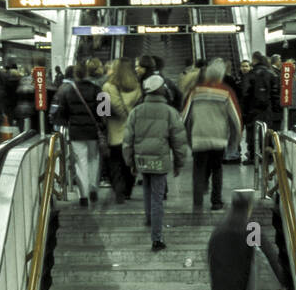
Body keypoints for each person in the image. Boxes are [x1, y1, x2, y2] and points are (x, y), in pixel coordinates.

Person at [122, 74, 188, 251]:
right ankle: (156, 239)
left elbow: (128, 140)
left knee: (147, 190)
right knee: (157, 197)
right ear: (162, 90)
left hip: (142, 159)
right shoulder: (169, 112)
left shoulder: (136, 111)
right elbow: (179, 140)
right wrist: (179, 162)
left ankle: (150, 219)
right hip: (160, 160)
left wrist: (130, 161)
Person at [181, 58, 242, 213]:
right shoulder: (226, 91)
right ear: (221, 75)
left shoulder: (195, 91)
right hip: (219, 137)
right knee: (217, 169)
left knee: (198, 169)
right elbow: (235, 119)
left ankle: (197, 202)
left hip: (198, 136)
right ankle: (216, 201)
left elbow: (184, 116)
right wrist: (235, 140)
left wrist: (184, 137)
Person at [53, 63, 105, 207]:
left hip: (76, 132)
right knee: (93, 159)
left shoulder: (67, 91)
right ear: (88, 74)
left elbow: (62, 114)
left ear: (75, 74)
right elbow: (105, 111)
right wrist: (102, 125)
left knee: (80, 162)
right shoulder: (97, 89)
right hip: (93, 131)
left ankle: (83, 195)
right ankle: (93, 186)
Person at [101, 59, 142, 203]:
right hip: (132, 132)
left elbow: (102, 111)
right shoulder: (137, 87)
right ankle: (127, 191)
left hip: (114, 132)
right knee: (129, 163)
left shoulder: (106, 86)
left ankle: (119, 190)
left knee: (115, 163)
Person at [242, 52, 275, 164]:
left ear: (254, 60)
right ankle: (268, 156)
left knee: (252, 133)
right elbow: (276, 93)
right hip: (267, 110)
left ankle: (253, 157)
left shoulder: (250, 75)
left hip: (252, 110)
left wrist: (244, 111)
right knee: (267, 132)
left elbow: (245, 94)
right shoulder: (271, 74)